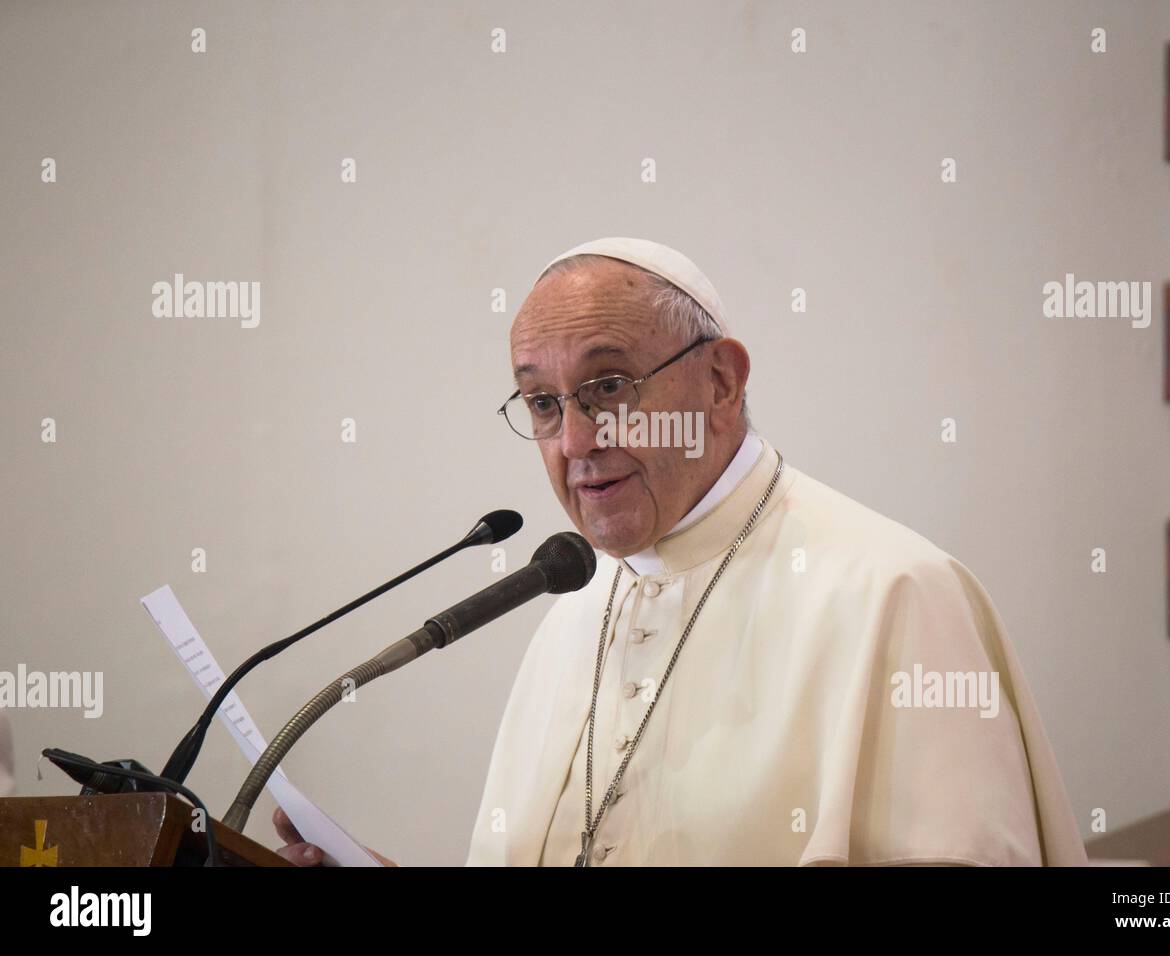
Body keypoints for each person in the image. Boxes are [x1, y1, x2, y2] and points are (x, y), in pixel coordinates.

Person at [277, 237, 1086, 867]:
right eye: (543, 403)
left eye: (609, 387)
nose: (577, 442)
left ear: (722, 383)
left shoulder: (895, 595)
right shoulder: (573, 613)